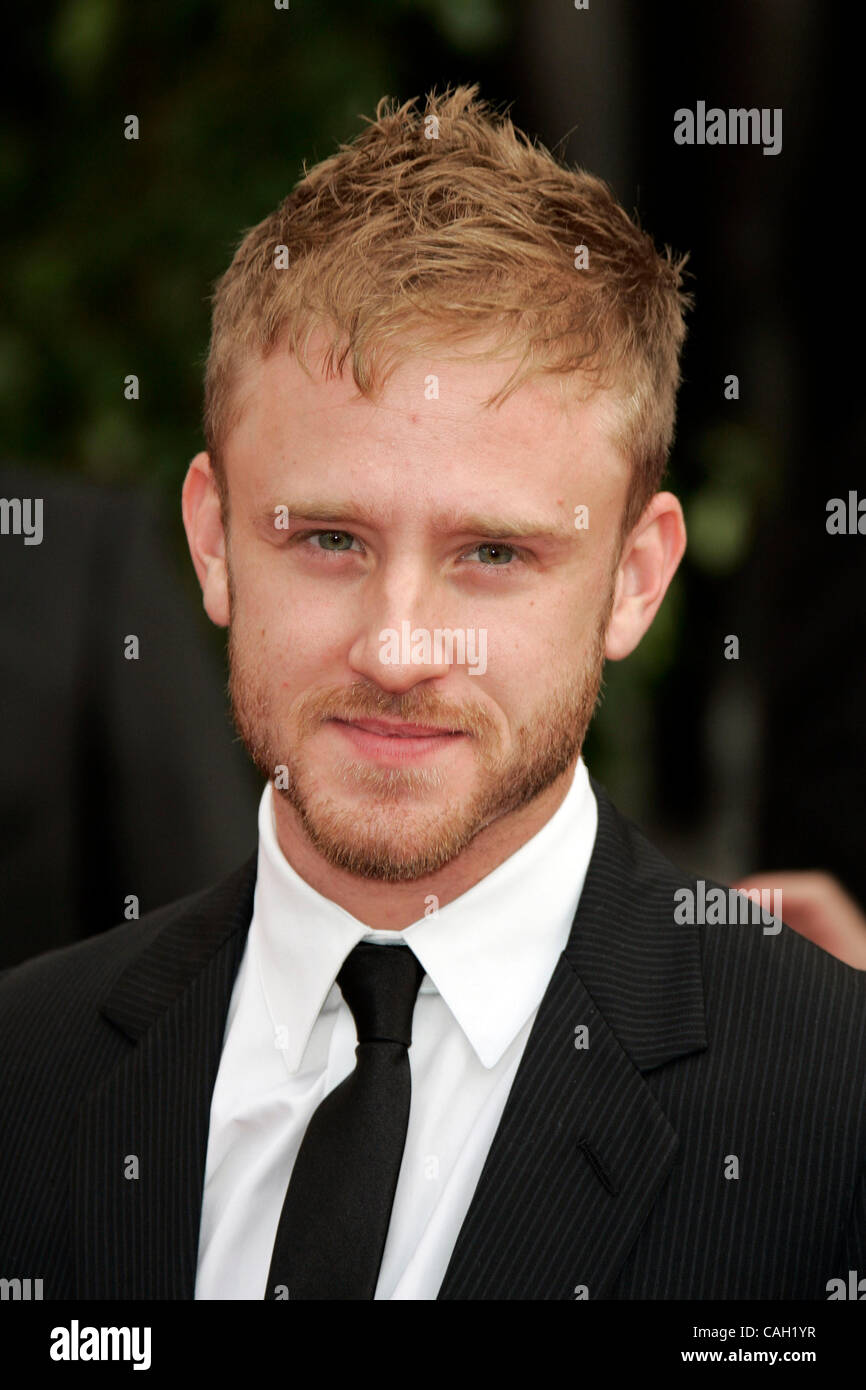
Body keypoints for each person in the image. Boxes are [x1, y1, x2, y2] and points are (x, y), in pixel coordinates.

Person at [1, 85, 864, 1301]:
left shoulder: (831, 1122)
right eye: (330, 541)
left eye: (492, 555)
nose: (399, 649)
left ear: (634, 578)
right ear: (213, 540)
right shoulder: (23, 1074)